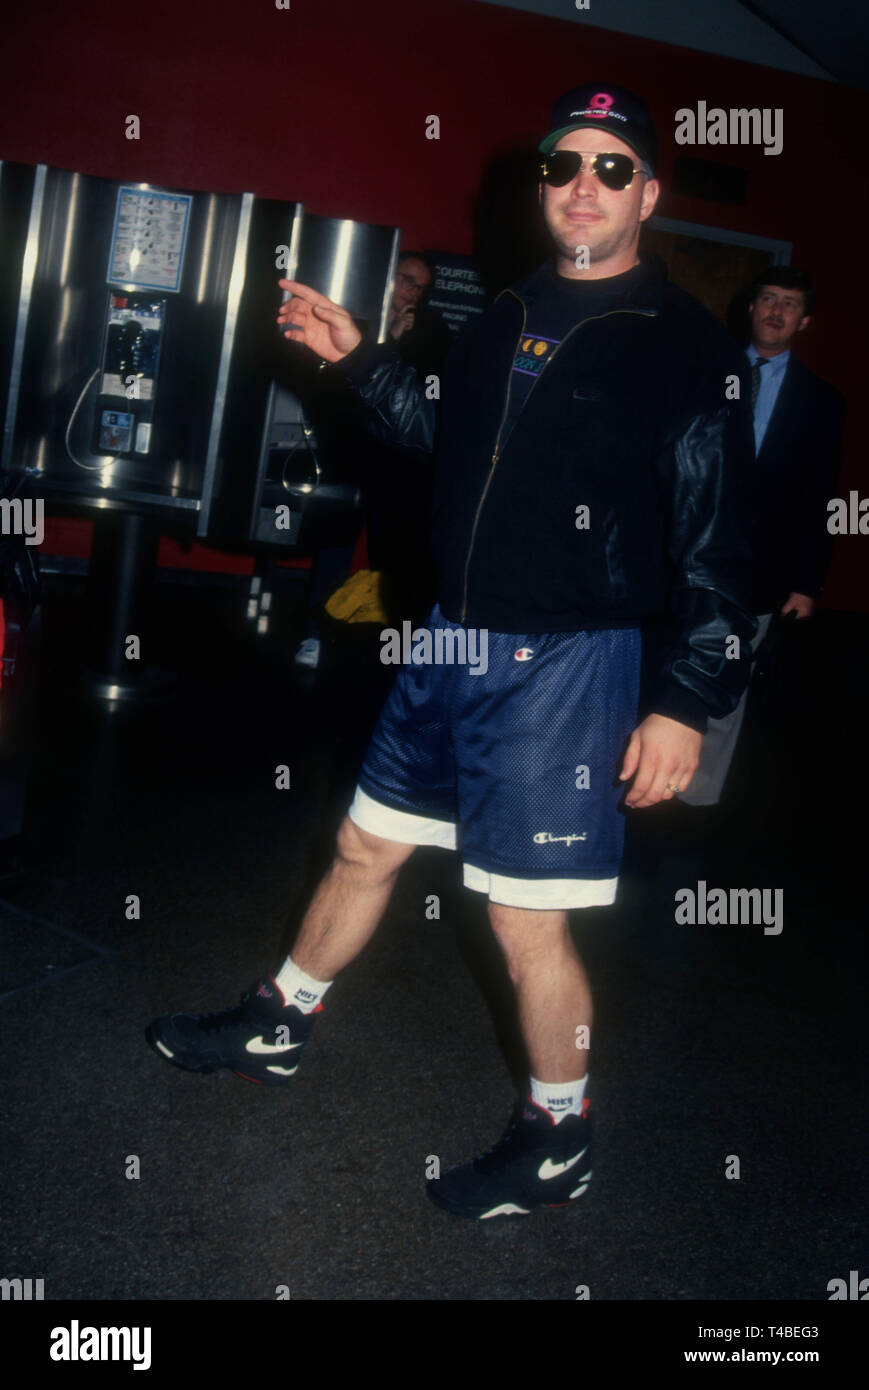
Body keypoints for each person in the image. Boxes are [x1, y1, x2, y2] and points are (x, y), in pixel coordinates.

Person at [147, 83, 757, 1220]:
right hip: (449, 647)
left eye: (610, 168)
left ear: (647, 194)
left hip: (564, 667)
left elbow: (722, 539)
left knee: (526, 919)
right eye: (562, 166)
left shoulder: (679, 351)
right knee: (362, 844)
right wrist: (358, 359)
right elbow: (443, 440)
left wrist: (684, 697)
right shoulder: (509, 309)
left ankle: (559, 1134)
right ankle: (281, 1020)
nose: (582, 186)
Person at [676, 268, 845, 808]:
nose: (776, 310)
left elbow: (823, 498)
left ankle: (696, 798)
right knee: (666, 661)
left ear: (805, 321)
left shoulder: (821, 402)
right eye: (768, 299)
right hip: (684, 557)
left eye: (790, 304)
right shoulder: (702, 371)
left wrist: (807, 583)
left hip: (761, 571)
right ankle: (645, 776)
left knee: (731, 675)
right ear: (750, 308)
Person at [293, 252, 451, 667]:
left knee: (396, 552)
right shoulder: (355, 315)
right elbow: (335, 383)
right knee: (336, 540)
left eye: (420, 286)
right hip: (352, 449)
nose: (412, 291)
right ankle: (314, 634)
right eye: (406, 280)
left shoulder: (433, 328)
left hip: (399, 463)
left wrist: (409, 341)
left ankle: (396, 649)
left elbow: (428, 398)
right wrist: (389, 338)